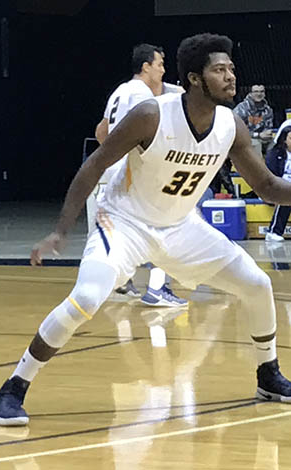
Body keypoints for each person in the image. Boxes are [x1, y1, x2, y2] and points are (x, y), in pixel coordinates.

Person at [0, 33, 291, 426]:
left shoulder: (231, 125)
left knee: (257, 284)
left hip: (179, 227)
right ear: (195, 78)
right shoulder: (152, 115)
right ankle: (12, 388)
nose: (231, 76)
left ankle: (268, 375)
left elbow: (266, 187)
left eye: (231, 68)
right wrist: (61, 230)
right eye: (220, 70)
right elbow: (93, 165)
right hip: (125, 222)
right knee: (86, 299)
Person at [93, 43, 188, 308]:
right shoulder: (143, 95)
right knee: (165, 224)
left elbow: (102, 131)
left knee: (126, 229)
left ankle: (121, 279)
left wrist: (113, 156)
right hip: (135, 170)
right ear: (146, 66)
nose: (163, 69)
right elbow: (155, 133)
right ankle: (158, 288)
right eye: (159, 64)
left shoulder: (120, 91)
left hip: (114, 169)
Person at [233, 84, 276, 154]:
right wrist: (258, 135)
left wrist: (267, 134)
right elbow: (236, 130)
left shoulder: (268, 110)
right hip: (243, 138)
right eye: (256, 91)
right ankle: (257, 165)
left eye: (262, 91)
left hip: (261, 137)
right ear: (250, 93)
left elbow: (268, 127)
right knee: (256, 144)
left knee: (274, 143)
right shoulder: (242, 108)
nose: (259, 94)